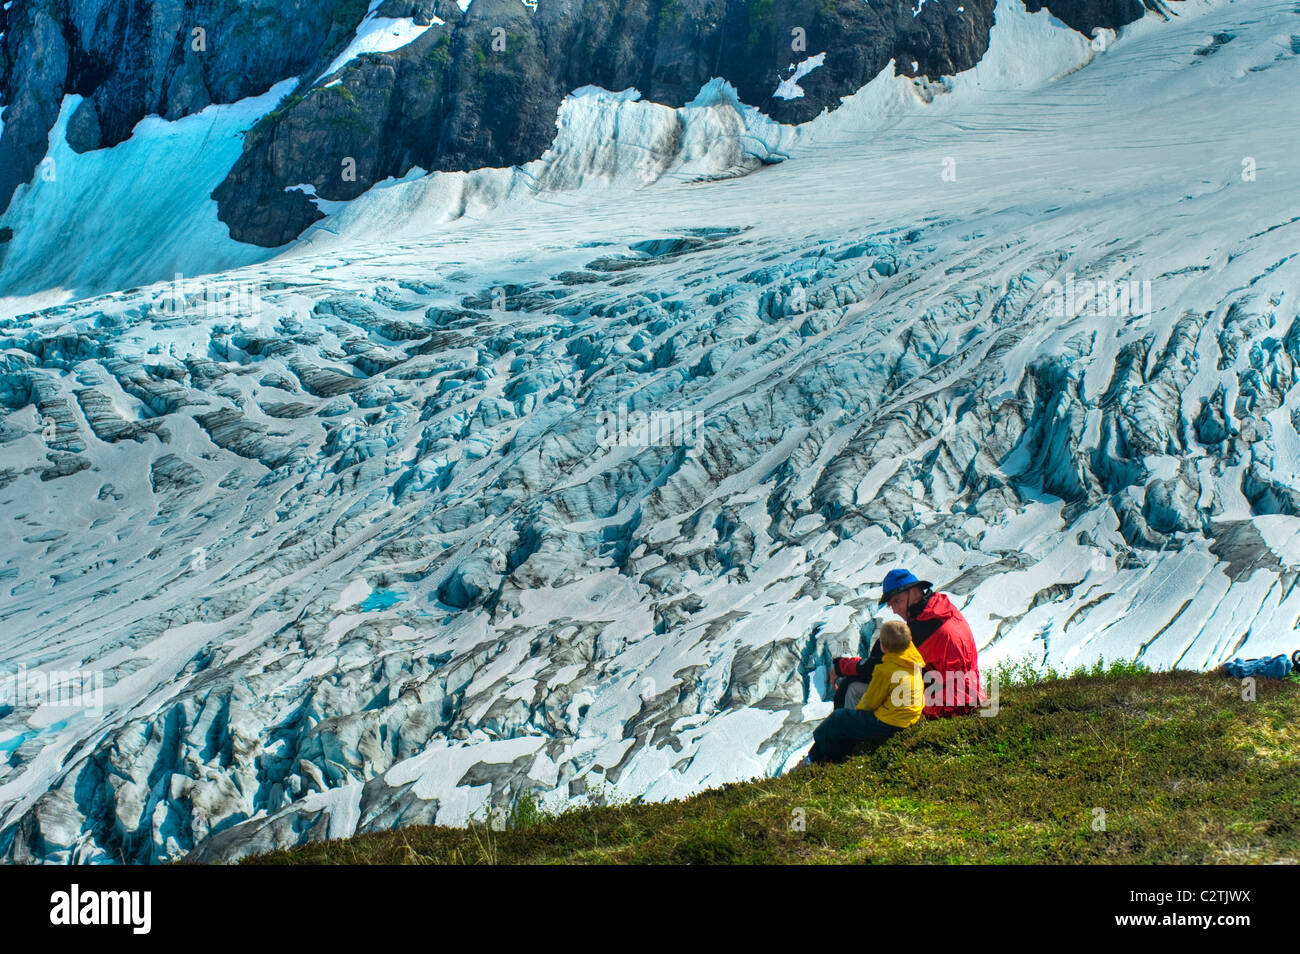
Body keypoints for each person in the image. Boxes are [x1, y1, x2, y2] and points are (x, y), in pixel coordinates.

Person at [833, 569, 982, 719]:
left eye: (897, 601)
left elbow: (879, 666)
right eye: (891, 605)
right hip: (966, 695)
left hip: (950, 705)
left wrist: (841, 666)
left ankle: (852, 739)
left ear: (916, 591)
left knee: (851, 687)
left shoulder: (925, 629)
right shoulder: (942, 610)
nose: (895, 610)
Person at [808, 620, 923, 764]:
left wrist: (855, 716)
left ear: (883, 646)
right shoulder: (913, 659)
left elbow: (870, 702)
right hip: (909, 716)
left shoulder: (885, 670)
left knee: (839, 719)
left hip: (890, 723)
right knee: (852, 698)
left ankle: (817, 758)